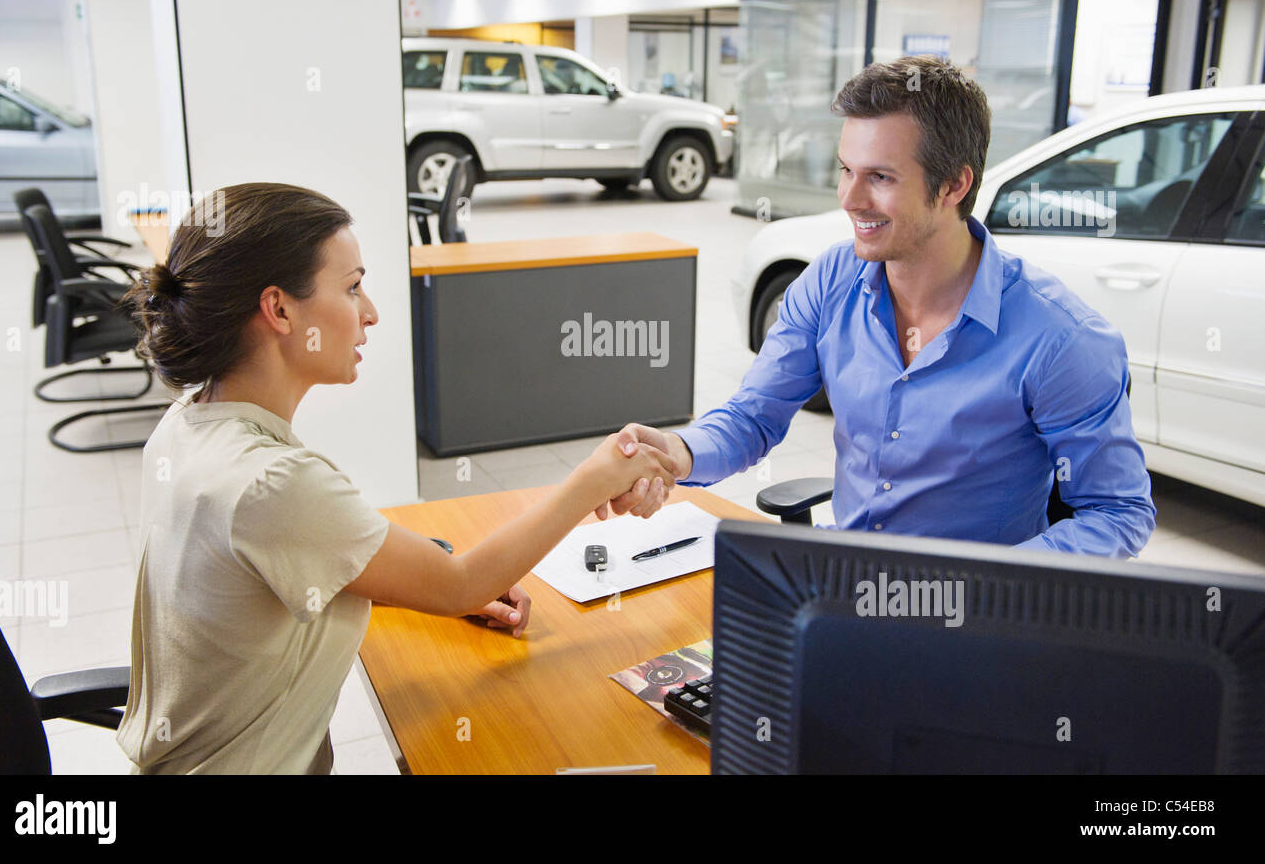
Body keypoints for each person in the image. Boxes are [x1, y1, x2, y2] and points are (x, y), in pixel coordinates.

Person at [114, 182, 675, 774]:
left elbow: (281, 565)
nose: (371, 312)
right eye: (352, 287)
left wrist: (418, 579)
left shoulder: (186, 426)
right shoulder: (272, 482)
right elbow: (458, 583)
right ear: (279, 310)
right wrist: (597, 476)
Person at [605, 56, 1155, 559]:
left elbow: (1118, 512)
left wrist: (993, 584)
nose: (849, 198)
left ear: (954, 184)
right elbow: (754, 416)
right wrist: (679, 450)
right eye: (847, 169)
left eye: (881, 178)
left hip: (973, 619)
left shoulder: (1060, 338)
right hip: (846, 586)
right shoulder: (829, 281)